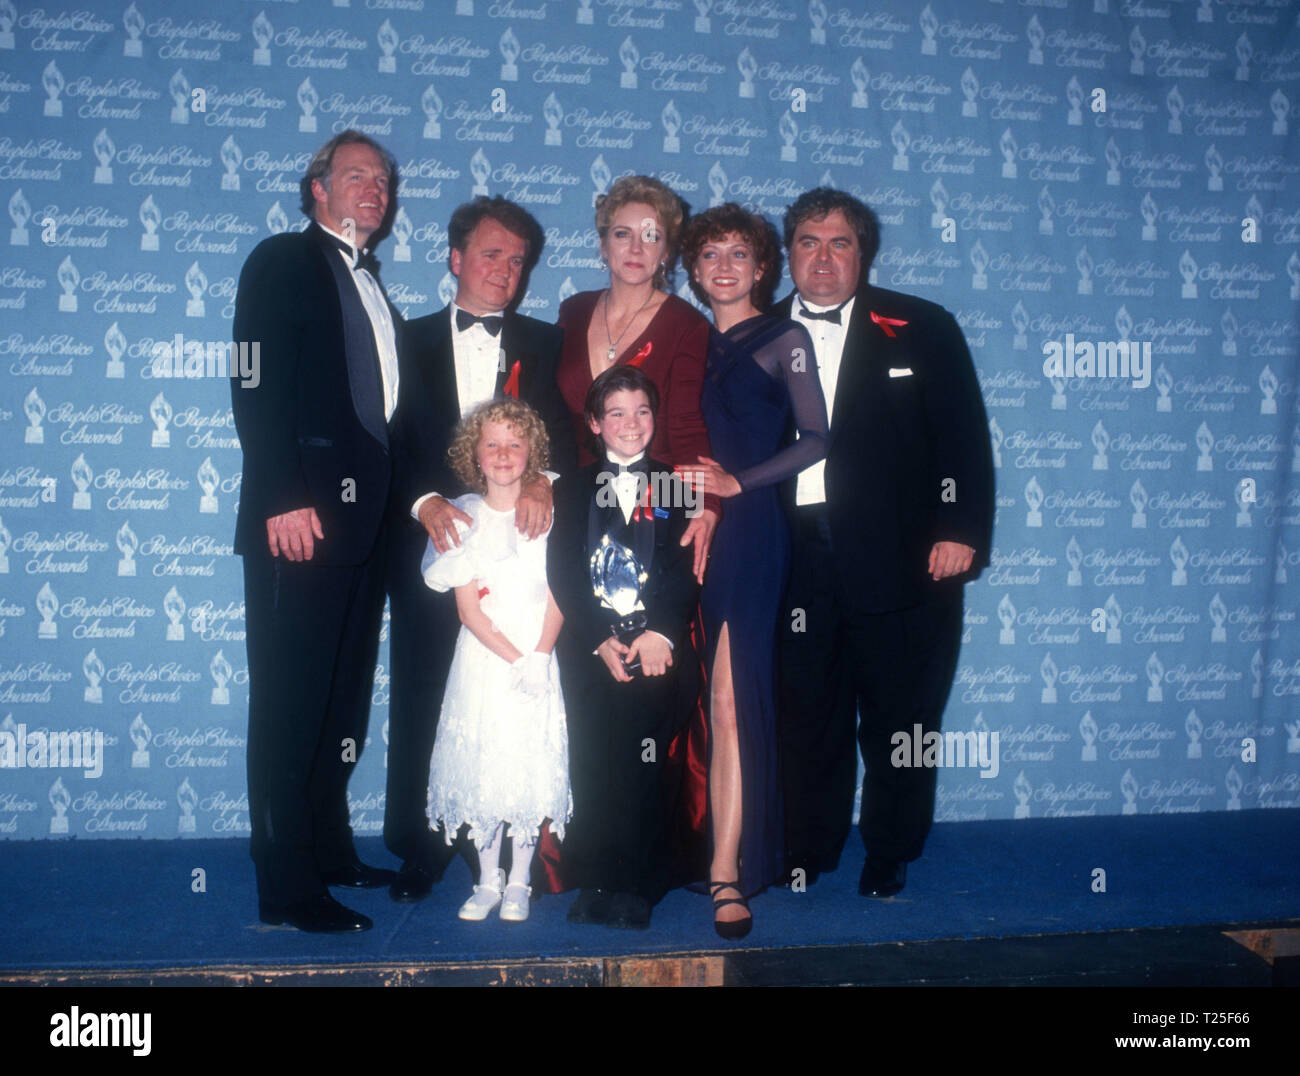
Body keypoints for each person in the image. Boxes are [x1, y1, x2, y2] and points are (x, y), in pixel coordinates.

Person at [773, 188, 994, 899]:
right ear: (788, 254)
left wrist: (960, 530)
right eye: (809, 242)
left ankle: (892, 847)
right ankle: (810, 846)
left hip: (904, 559)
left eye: (840, 243)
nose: (824, 258)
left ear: (863, 254)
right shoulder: (754, 335)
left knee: (905, 716)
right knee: (808, 712)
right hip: (790, 557)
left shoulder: (922, 326)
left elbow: (962, 436)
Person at [231, 130, 402, 933]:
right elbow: (253, 376)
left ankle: (329, 850)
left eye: (383, 180)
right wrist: (279, 492)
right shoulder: (282, 260)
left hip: (362, 529)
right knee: (290, 705)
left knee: (339, 705)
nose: (373, 188)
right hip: (297, 520)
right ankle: (286, 886)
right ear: (317, 190)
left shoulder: (369, 281)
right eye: (356, 175)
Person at [385, 197, 576, 904]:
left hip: (516, 549)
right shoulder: (406, 339)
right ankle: (420, 847)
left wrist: (544, 483)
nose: (506, 270)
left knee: (515, 697)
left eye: (519, 260)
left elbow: (561, 433)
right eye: (492, 254)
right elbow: (390, 441)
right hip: (436, 543)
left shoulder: (543, 340)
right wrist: (424, 502)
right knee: (423, 693)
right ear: (455, 259)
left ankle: (511, 856)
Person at [676, 204, 828, 938]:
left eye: (740, 253)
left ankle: (727, 870)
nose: (726, 266)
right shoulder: (683, 337)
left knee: (733, 700)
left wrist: (740, 483)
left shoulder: (785, 338)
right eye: (710, 254)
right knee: (677, 694)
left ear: (764, 266)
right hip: (675, 526)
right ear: (693, 268)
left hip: (752, 528)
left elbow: (818, 436)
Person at [547, 366, 700, 930]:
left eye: (641, 411)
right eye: (616, 412)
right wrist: (596, 639)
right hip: (594, 652)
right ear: (594, 422)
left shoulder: (675, 484)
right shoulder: (570, 487)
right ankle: (598, 877)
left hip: (656, 650)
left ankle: (641, 880)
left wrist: (662, 630)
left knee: (645, 765)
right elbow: (561, 569)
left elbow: (687, 567)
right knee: (593, 763)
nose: (630, 423)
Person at [421, 399, 569, 924]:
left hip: (538, 651)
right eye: (492, 445)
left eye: (515, 444)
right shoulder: (462, 519)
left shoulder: (550, 515)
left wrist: (539, 657)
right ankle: (487, 879)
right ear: (475, 456)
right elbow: (468, 610)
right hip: (486, 659)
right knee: (486, 764)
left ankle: (522, 879)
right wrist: (513, 661)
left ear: (532, 454)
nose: (503, 454)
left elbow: (561, 591)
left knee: (525, 763)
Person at [554, 174, 718, 579]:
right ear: (603, 245)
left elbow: (685, 425)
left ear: (666, 252)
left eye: (651, 236)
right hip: (577, 501)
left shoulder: (686, 324)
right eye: (622, 233)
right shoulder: (573, 311)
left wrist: (707, 506)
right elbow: (556, 416)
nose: (635, 247)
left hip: (654, 501)